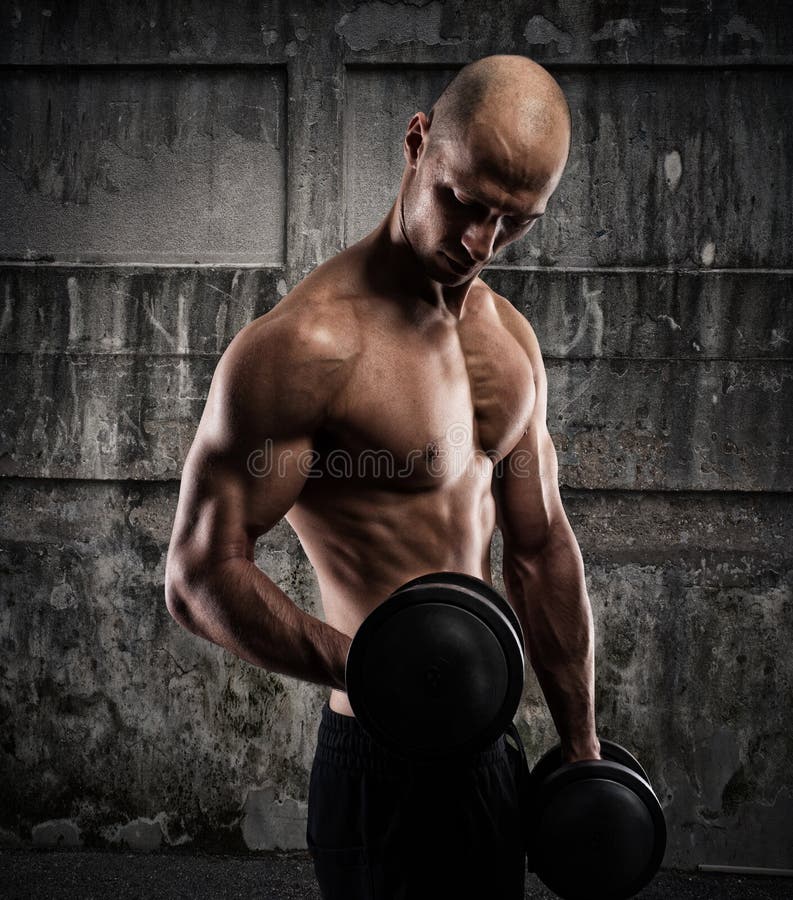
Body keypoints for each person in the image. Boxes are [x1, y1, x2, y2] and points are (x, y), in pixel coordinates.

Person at [165, 54, 601, 899]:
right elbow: (197, 575)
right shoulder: (303, 350)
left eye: (513, 222)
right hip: (383, 764)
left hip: (490, 751)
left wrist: (582, 746)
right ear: (415, 144)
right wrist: (378, 675)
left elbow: (541, 548)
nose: (479, 243)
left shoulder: (508, 342)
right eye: (463, 203)